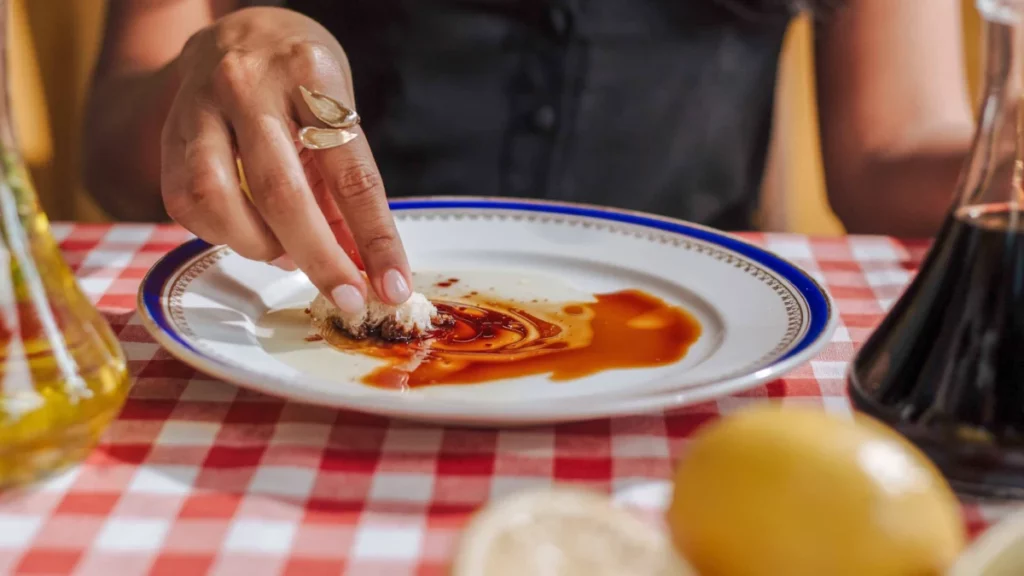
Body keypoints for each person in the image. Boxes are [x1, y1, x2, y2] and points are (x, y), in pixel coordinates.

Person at [83, 0, 973, 313]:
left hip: (696, 340)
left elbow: (891, 152)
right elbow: (116, 155)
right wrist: (218, 61)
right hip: (305, 317)